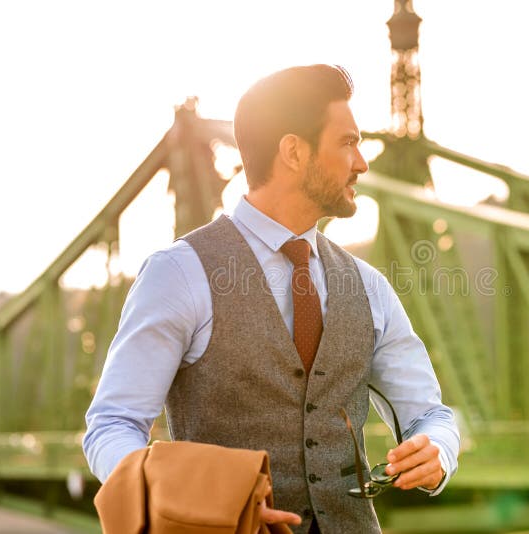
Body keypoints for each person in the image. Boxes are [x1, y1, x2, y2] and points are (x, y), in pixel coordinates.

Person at [83, 64, 460, 534]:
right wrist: (199, 502)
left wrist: (436, 448)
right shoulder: (178, 274)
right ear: (293, 151)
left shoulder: (368, 286)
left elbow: (429, 414)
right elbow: (112, 426)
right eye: (347, 142)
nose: (362, 162)